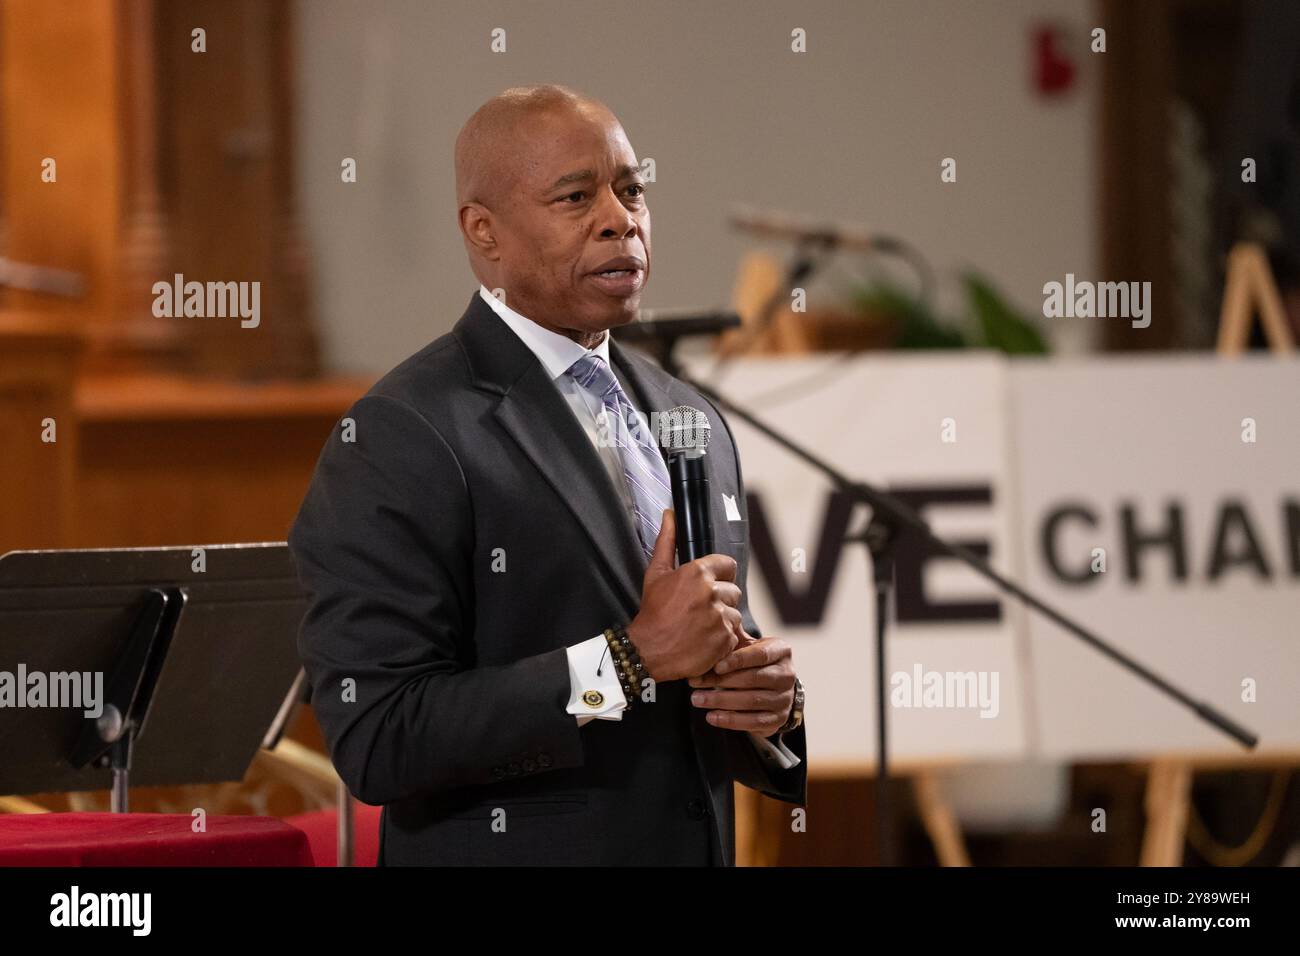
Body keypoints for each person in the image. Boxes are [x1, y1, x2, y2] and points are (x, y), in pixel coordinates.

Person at [289, 85, 806, 866]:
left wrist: (767, 708)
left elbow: (698, 658)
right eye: (575, 196)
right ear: (484, 231)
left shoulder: (689, 415)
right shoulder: (403, 433)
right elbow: (379, 735)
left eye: (632, 189)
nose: (620, 218)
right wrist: (623, 664)